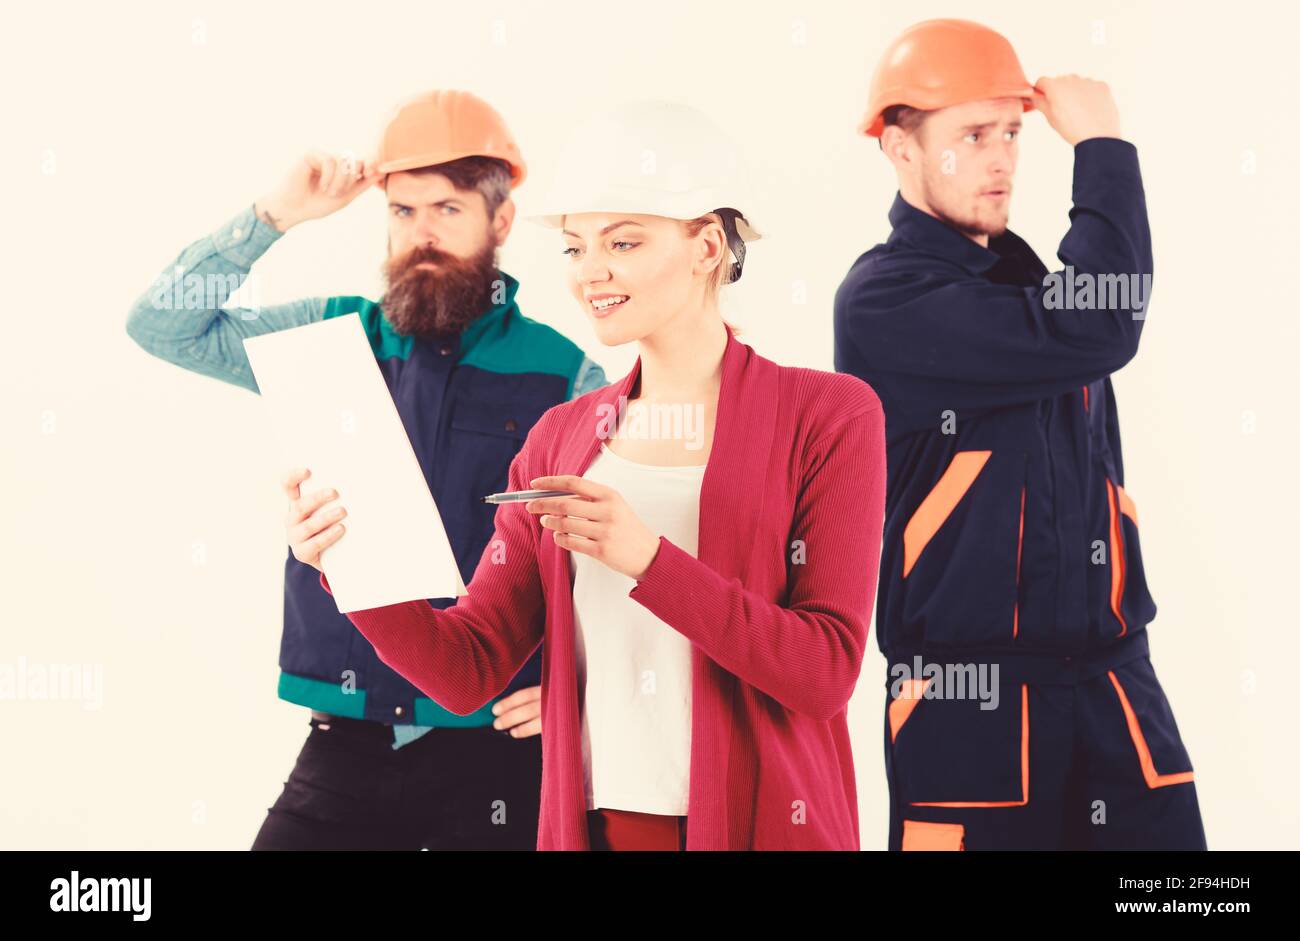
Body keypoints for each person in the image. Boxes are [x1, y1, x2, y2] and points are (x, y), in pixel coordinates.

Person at [285, 101, 887, 850]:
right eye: (575, 248)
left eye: (623, 242)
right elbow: (467, 667)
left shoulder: (828, 415)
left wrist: (649, 559)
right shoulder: (561, 437)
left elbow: (824, 672)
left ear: (705, 245)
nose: (591, 272)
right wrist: (351, 566)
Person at [126, 89, 606, 850]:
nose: (421, 234)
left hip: (499, 748)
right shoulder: (330, 339)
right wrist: (275, 214)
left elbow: (623, 558)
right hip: (348, 742)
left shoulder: (566, 374)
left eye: (447, 210)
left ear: (501, 221)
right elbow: (162, 324)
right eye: (403, 211)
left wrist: (587, 686)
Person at [834, 19, 1206, 850]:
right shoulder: (885, 300)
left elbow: (1089, 316)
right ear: (899, 149)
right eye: (973, 134)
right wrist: (1103, 146)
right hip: (971, 702)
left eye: (1010, 132)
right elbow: (1103, 322)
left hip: (1116, 681)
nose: (1003, 157)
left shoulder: (1029, 279)